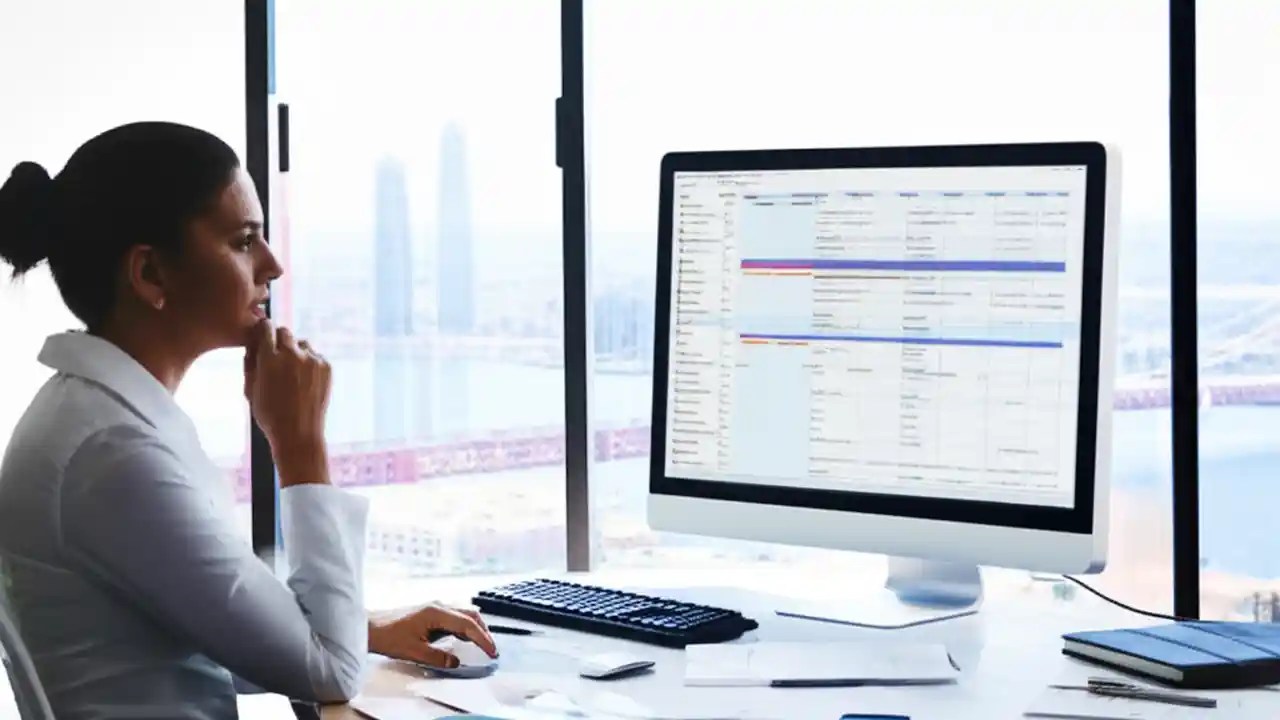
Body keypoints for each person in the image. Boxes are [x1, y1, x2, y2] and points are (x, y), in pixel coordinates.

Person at [0, 122, 497, 720]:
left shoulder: (92, 420)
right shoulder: (112, 452)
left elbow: (197, 630)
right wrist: (299, 445)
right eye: (242, 241)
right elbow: (329, 675)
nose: (273, 265)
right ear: (151, 274)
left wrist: (362, 628)